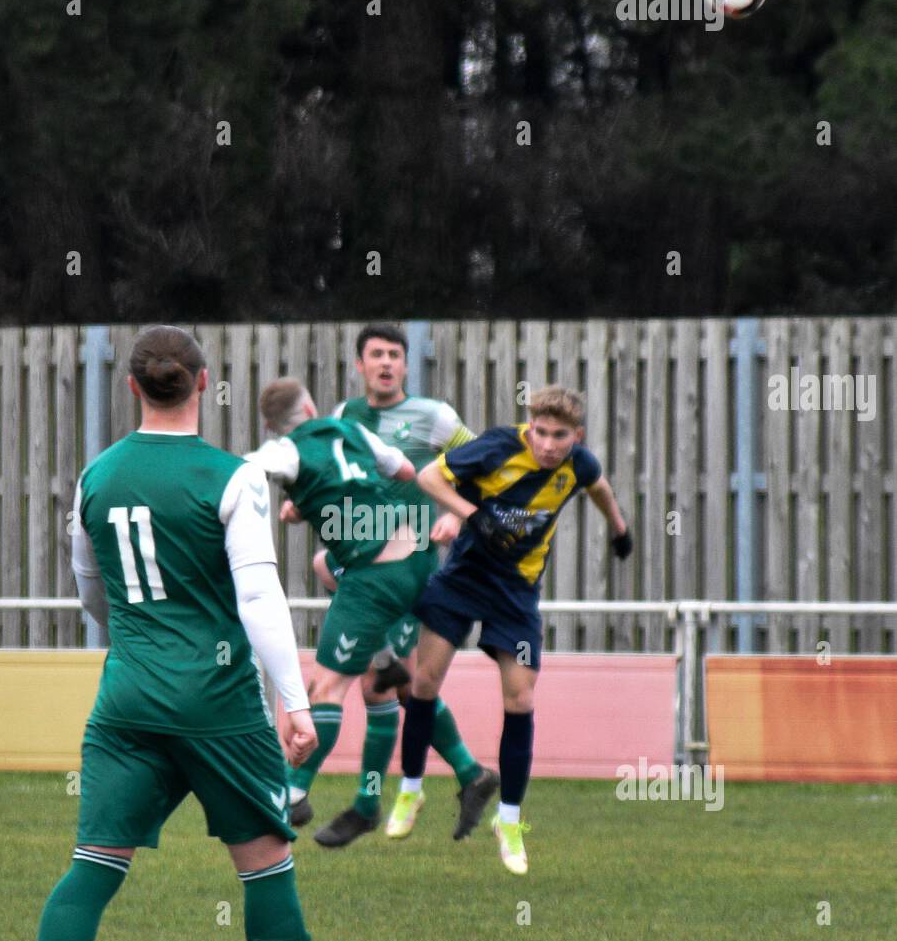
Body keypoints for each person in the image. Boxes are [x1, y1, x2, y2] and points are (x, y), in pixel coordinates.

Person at [15, 325, 365, 941]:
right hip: (216, 704)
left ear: (133, 386)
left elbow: (92, 595)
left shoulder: (96, 478)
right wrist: (295, 702)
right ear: (204, 384)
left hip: (127, 698)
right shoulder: (233, 478)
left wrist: (148, 636)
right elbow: (259, 596)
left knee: (94, 862)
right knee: (267, 866)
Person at [398, 385, 633, 875]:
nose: (548, 444)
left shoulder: (580, 464)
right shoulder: (498, 446)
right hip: (462, 580)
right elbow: (427, 476)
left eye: (559, 436)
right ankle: (410, 791)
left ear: (577, 436)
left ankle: (509, 821)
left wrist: (619, 528)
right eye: (541, 433)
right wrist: (472, 515)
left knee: (521, 701)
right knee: (422, 682)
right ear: (530, 427)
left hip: (516, 594)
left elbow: (599, 488)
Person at [247, 376, 454, 846]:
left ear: (272, 425)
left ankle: (290, 793)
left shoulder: (285, 451)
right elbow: (403, 471)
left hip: (376, 572)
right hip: (412, 555)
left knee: (328, 687)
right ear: (314, 405)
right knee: (385, 687)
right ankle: (380, 795)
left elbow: (243, 473)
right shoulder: (354, 432)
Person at [319, 322, 499, 842]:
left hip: (411, 566)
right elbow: (335, 477)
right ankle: (469, 774)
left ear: (405, 365)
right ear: (359, 364)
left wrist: (458, 517)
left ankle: (367, 804)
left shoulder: (435, 417)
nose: (385, 363)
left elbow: (482, 470)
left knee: (383, 686)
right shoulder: (344, 418)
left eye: (394, 355)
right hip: (363, 565)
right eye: (376, 354)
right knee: (398, 686)